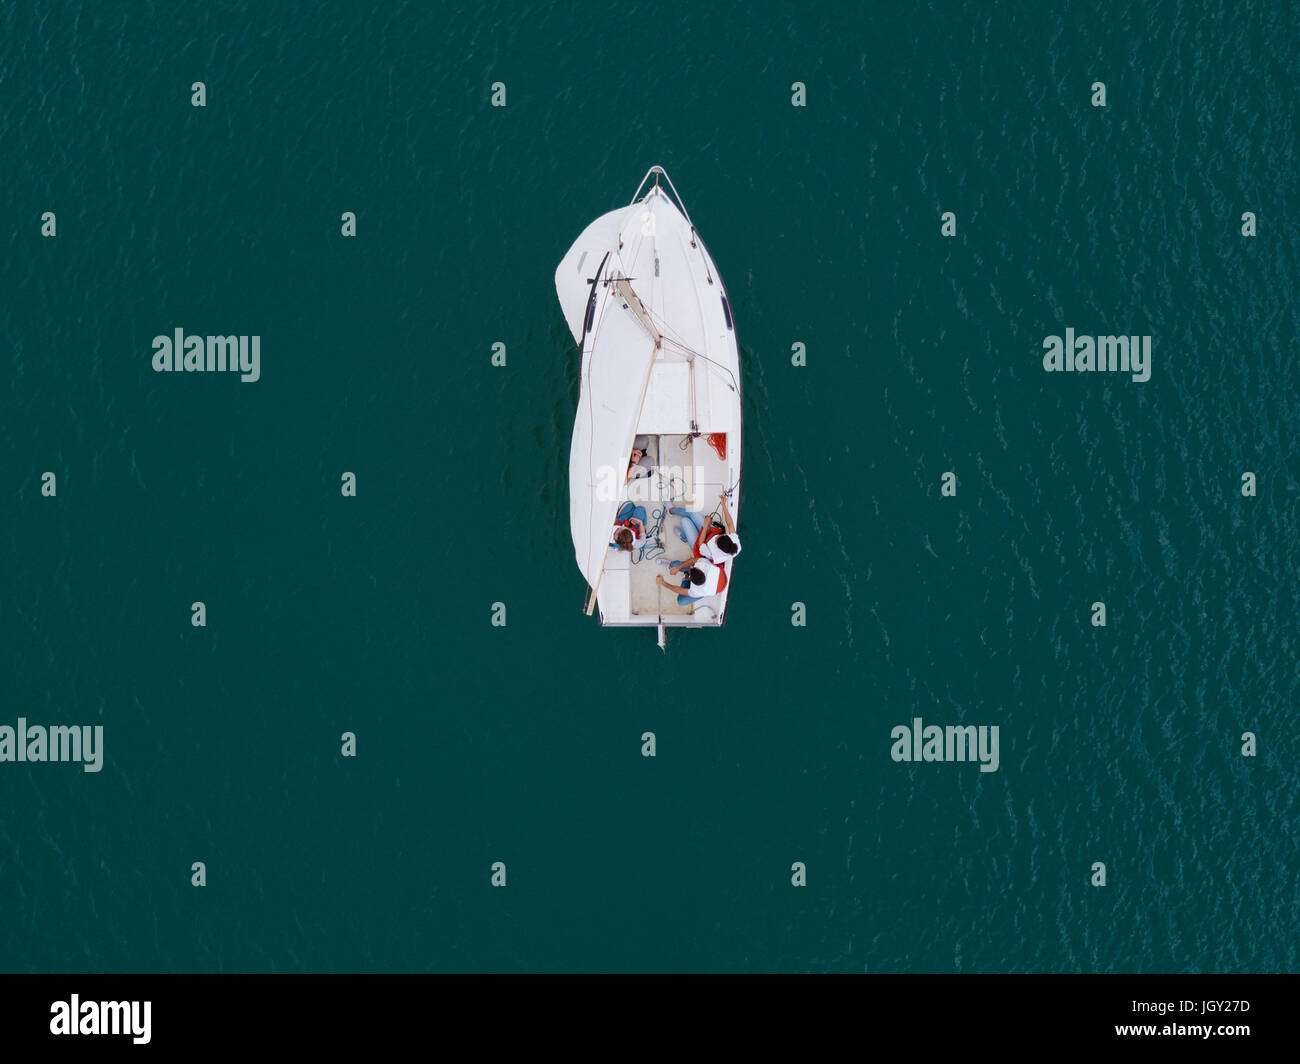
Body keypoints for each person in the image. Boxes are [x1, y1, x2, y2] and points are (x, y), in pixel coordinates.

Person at [671, 494, 741, 570]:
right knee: (691, 512)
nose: (717, 536)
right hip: (710, 534)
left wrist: (706, 524)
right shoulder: (735, 542)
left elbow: (701, 543)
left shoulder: (714, 555)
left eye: (717, 538)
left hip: (699, 544)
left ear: (717, 546)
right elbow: (730, 524)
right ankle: (671, 510)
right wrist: (723, 505)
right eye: (720, 536)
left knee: (685, 521)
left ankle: (683, 538)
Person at [656, 557, 725, 606]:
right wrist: (677, 568)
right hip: (719, 577)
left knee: (681, 602)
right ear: (702, 571)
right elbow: (692, 560)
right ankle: (674, 567)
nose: (691, 567)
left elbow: (680, 590)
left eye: (692, 568)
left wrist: (663, 583)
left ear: (692, 582)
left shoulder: (697, 591)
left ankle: (686, 579)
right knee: (674, 565)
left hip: (708, 590)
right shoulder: (705, 565)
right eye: (693, 567)